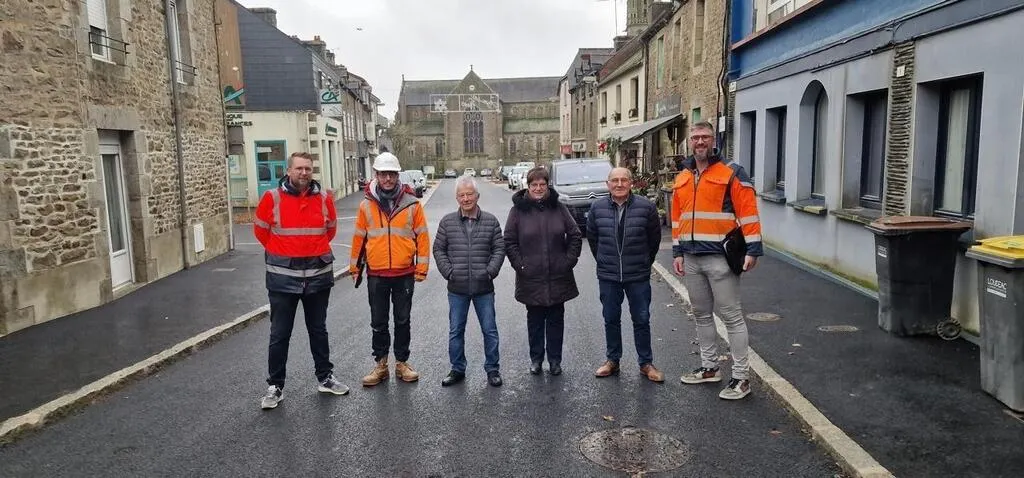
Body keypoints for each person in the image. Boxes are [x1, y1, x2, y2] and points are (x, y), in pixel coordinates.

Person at [671, 121, 763, 400]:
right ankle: (710, 368)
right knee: (701, 314)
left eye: (705, 137)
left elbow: (748, 212)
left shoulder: (732, 172)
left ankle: (741, 377)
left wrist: (753, 249)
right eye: (695, 137)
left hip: (721, 257)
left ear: (714, 141)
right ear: (690, 141)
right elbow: (677, 218)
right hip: (691, 257)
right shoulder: (683, 175)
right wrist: (677, 252)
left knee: (732, 317)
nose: (700, 142)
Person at [253, 151, 348, 410]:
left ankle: (325, 378)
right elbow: (261, 231)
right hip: (282, 279)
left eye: (308, 168)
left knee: (318, 330)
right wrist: (285, 253)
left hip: (317, 277)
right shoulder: (271, 198)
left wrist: (310, 250)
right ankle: (275, 386)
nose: (304, 173)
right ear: (289, 170)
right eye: (299, 169)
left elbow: (330, 230)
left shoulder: (325, 198)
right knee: (280, 333)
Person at [350, 152, 430, 387]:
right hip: (377, 274)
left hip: (404, 273)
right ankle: (381, 364)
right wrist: (354, 267)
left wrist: (422, 267)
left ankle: (402, 363)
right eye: (383, 174)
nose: (387, 179)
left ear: (397, 176)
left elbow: (423, 236)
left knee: (403, 320)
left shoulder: (412, 204)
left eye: (391, 174)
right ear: (376, 175)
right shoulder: (366, 205)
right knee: (378, 321)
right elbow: (358, 238)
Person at [586, 167, 665, 383]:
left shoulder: (646, 207)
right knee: (611, 318)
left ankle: (646, 363)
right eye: (615, 180)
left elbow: (654, 240)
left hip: (637, 275)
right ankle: (613, 360)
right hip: (609, 275)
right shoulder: (597, 208)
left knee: (641, 318)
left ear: (631, 183)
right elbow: (593, 239)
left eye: (624, 180)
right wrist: (604, 261)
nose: (619, 184)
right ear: (607, 183)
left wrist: (643, 262)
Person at [504, 167, 582, 376]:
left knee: (556, 320)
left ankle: (555, 361)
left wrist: (568, 261)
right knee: (535, 321)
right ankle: (536, 359)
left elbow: (575, 235)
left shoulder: (559, 208)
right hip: (531, 276)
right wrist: (520, 265)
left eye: (542, 184)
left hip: (558, 274)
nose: (538, 188)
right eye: (534, 185)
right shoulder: (518, 211)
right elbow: (509, 241)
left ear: (547, 185)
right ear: (527, 187)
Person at [433, 176, 506, 387]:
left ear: (477, 195)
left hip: (484, 287)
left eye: (469, 194)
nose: (466, 199)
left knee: (489, 330)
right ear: (457, 197)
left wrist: (490, 271)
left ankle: (493, 369)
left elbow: (499, 249)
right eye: (461, 195)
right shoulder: (447, 222)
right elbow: (438, 249)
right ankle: (457, 369)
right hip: (457, 287)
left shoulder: (491, 221)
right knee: (456, 330)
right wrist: (449, 272)